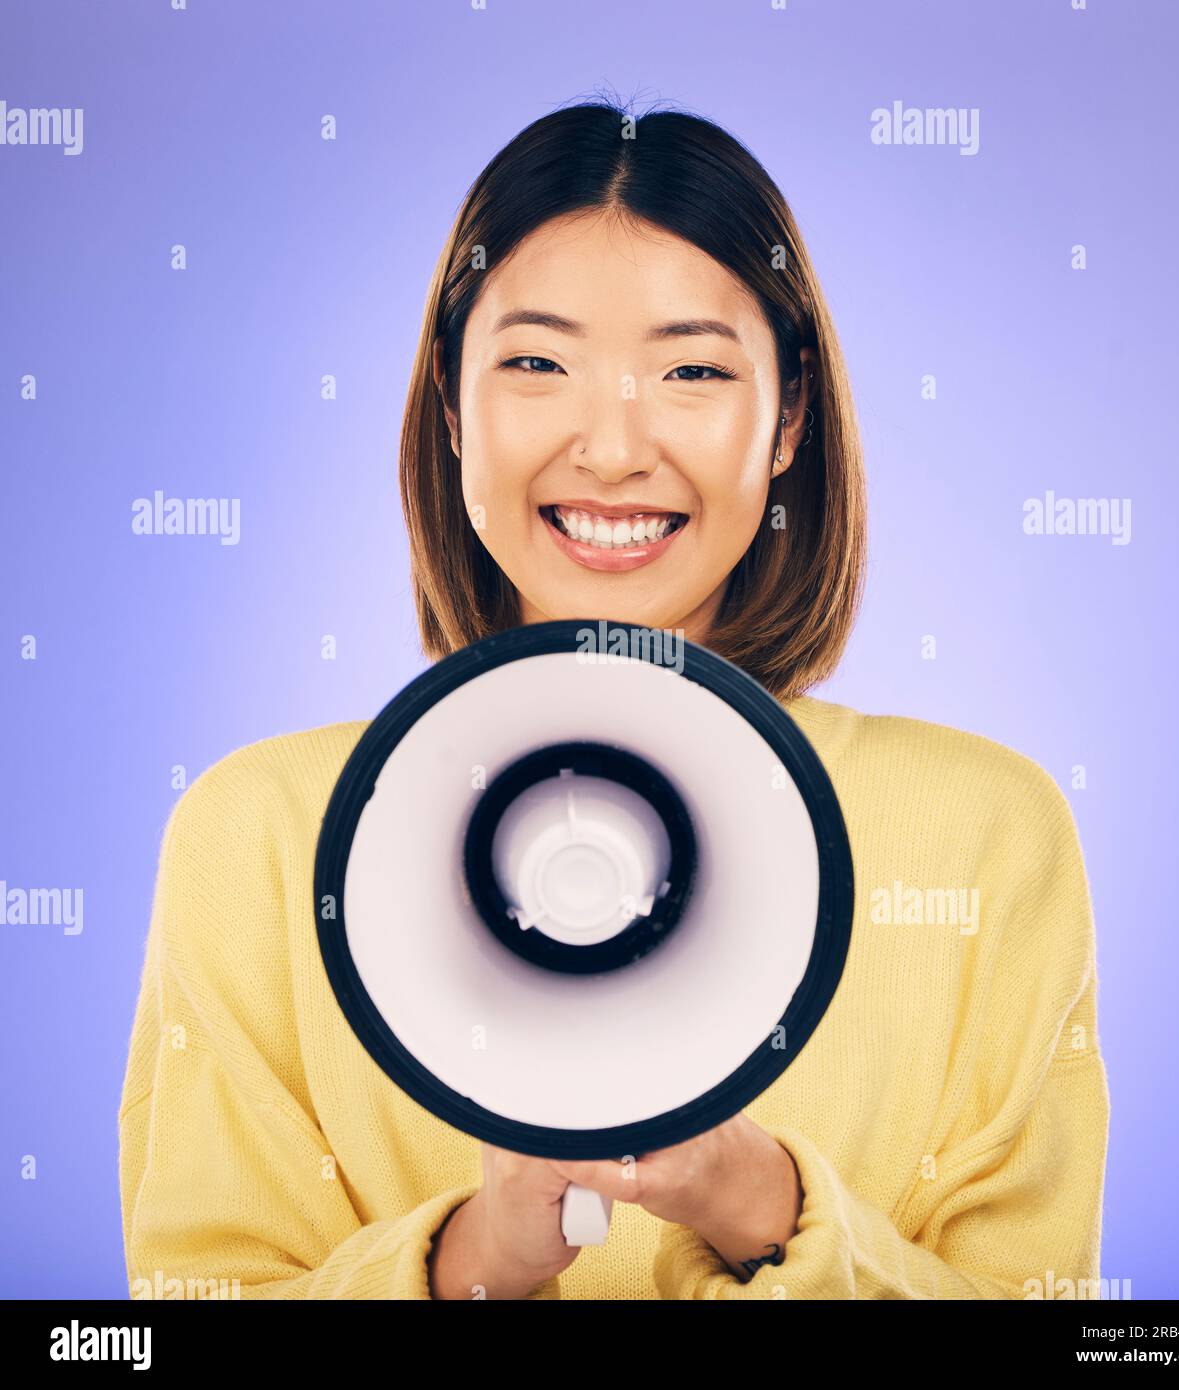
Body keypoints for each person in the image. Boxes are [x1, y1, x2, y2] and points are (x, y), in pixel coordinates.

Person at [118, 99, 1109, 1300]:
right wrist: (469, 1262)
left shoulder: (986, 834)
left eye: (691, 369)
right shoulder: (261, 837)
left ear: (788, 417)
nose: (611, 449)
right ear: (449, 404)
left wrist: (767, 1209)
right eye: (537, 363)